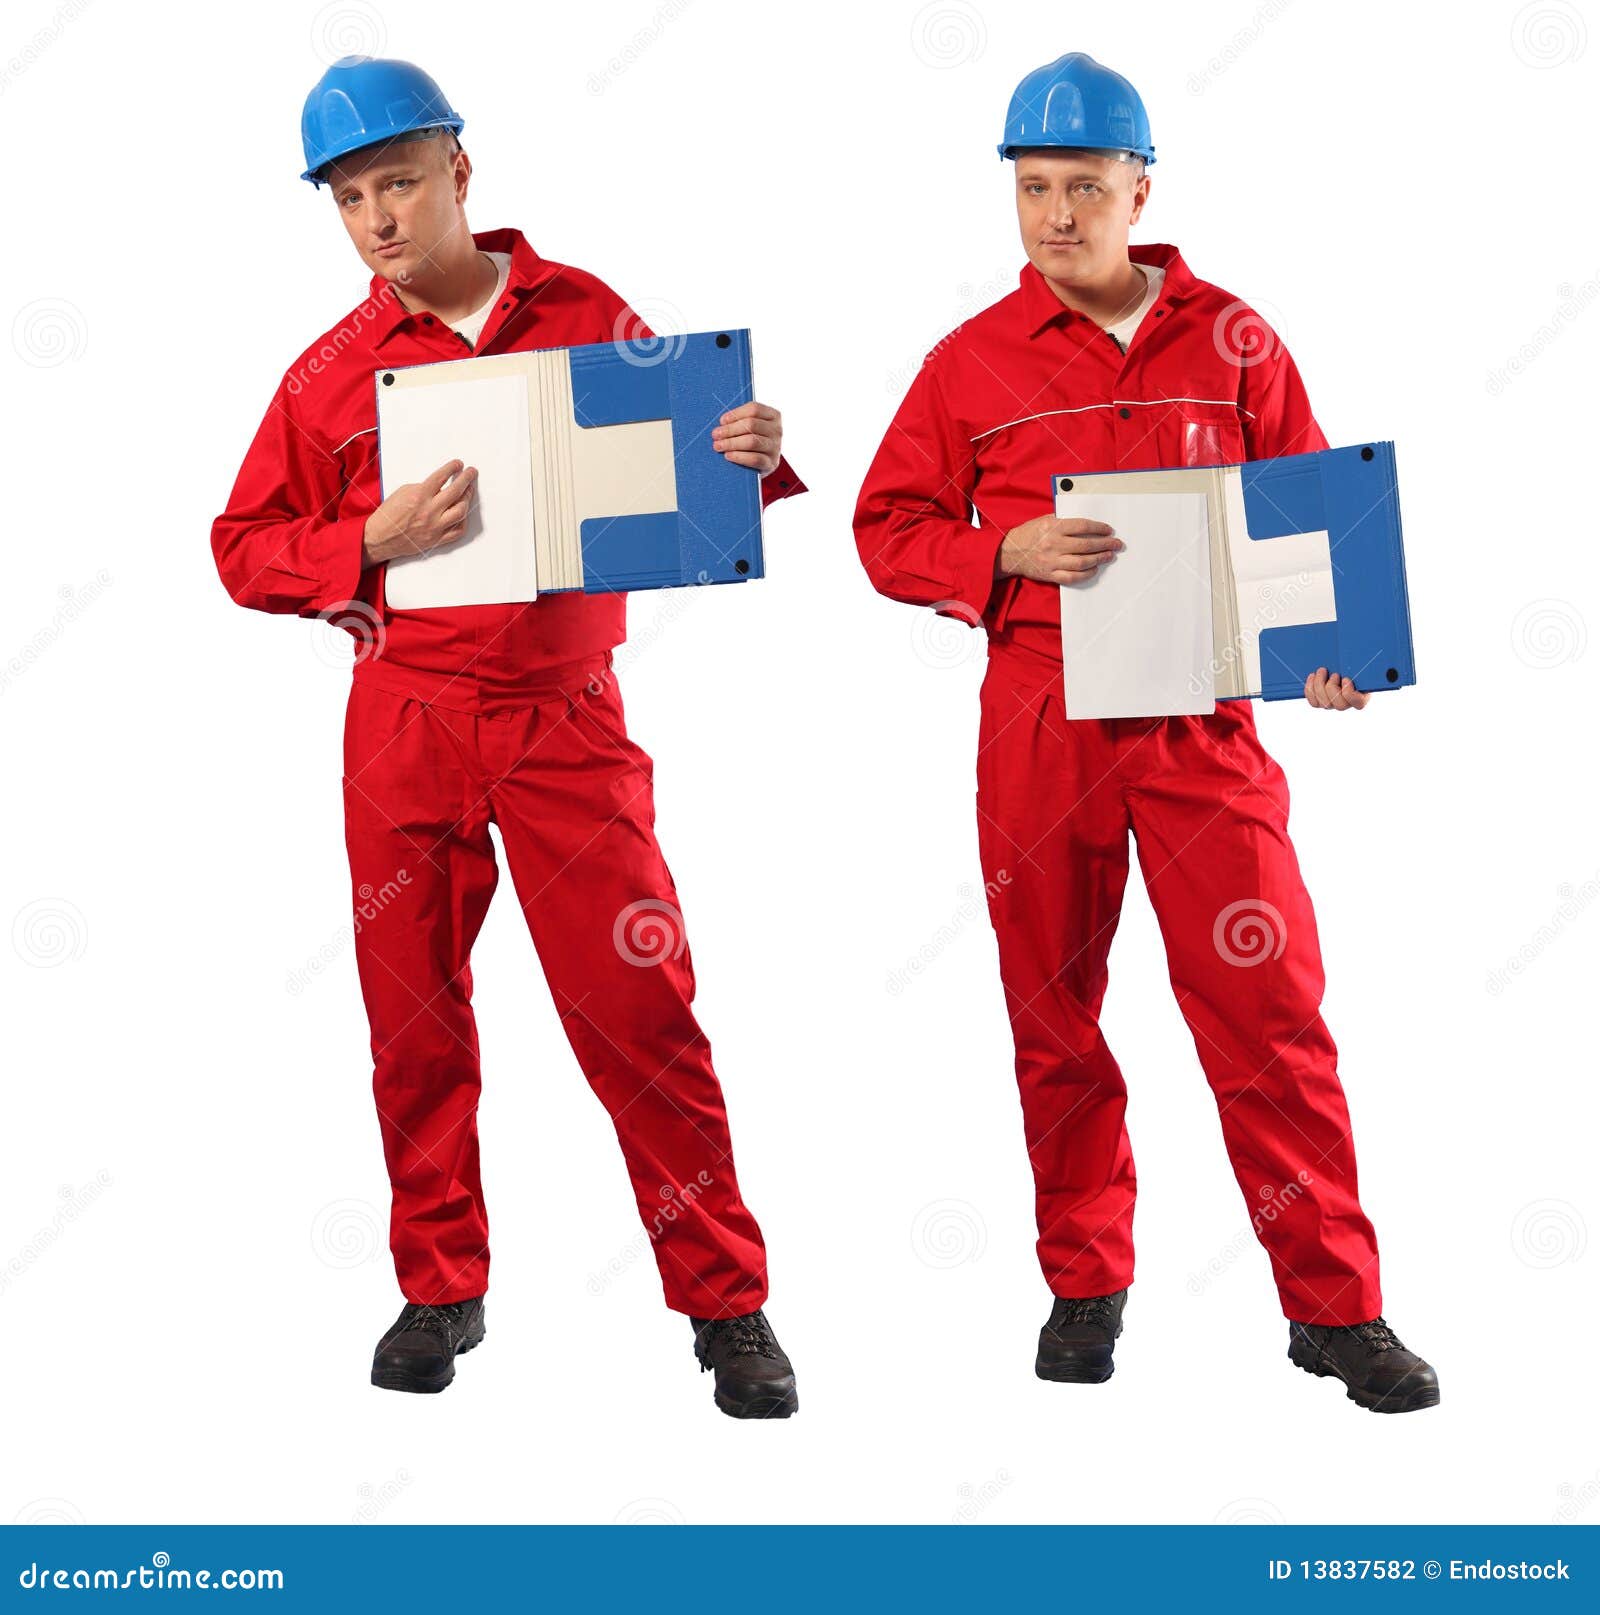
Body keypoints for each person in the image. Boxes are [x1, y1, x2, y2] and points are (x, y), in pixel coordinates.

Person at [211, 55, 801, 1418]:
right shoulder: (329, 375)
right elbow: (241, 548)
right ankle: (440, 1286)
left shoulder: (588, 315)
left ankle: (726, 1302)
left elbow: (688, 489)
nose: (378, 219)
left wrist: (753, 456)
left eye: (399, 182)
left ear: (459, 170)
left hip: (564, 720)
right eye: (349, 198)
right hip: (403, 719)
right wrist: (364, 539)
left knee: (640, 1007)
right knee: (412, 1018)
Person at [853, 52, 1437, 1413]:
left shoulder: (1235, 340)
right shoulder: (967, 362)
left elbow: (1308, 516)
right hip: (1040, 722)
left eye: (1084, 187)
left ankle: (1336, 1307)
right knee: (1054, 1013)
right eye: (1033, 188)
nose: (1056, 215)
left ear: (1141, 191)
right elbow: (885, 529)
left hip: (1198, 730)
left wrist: (1333, 657)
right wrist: (1002, 550)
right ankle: (1085, 1283)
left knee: (1270, 1013)